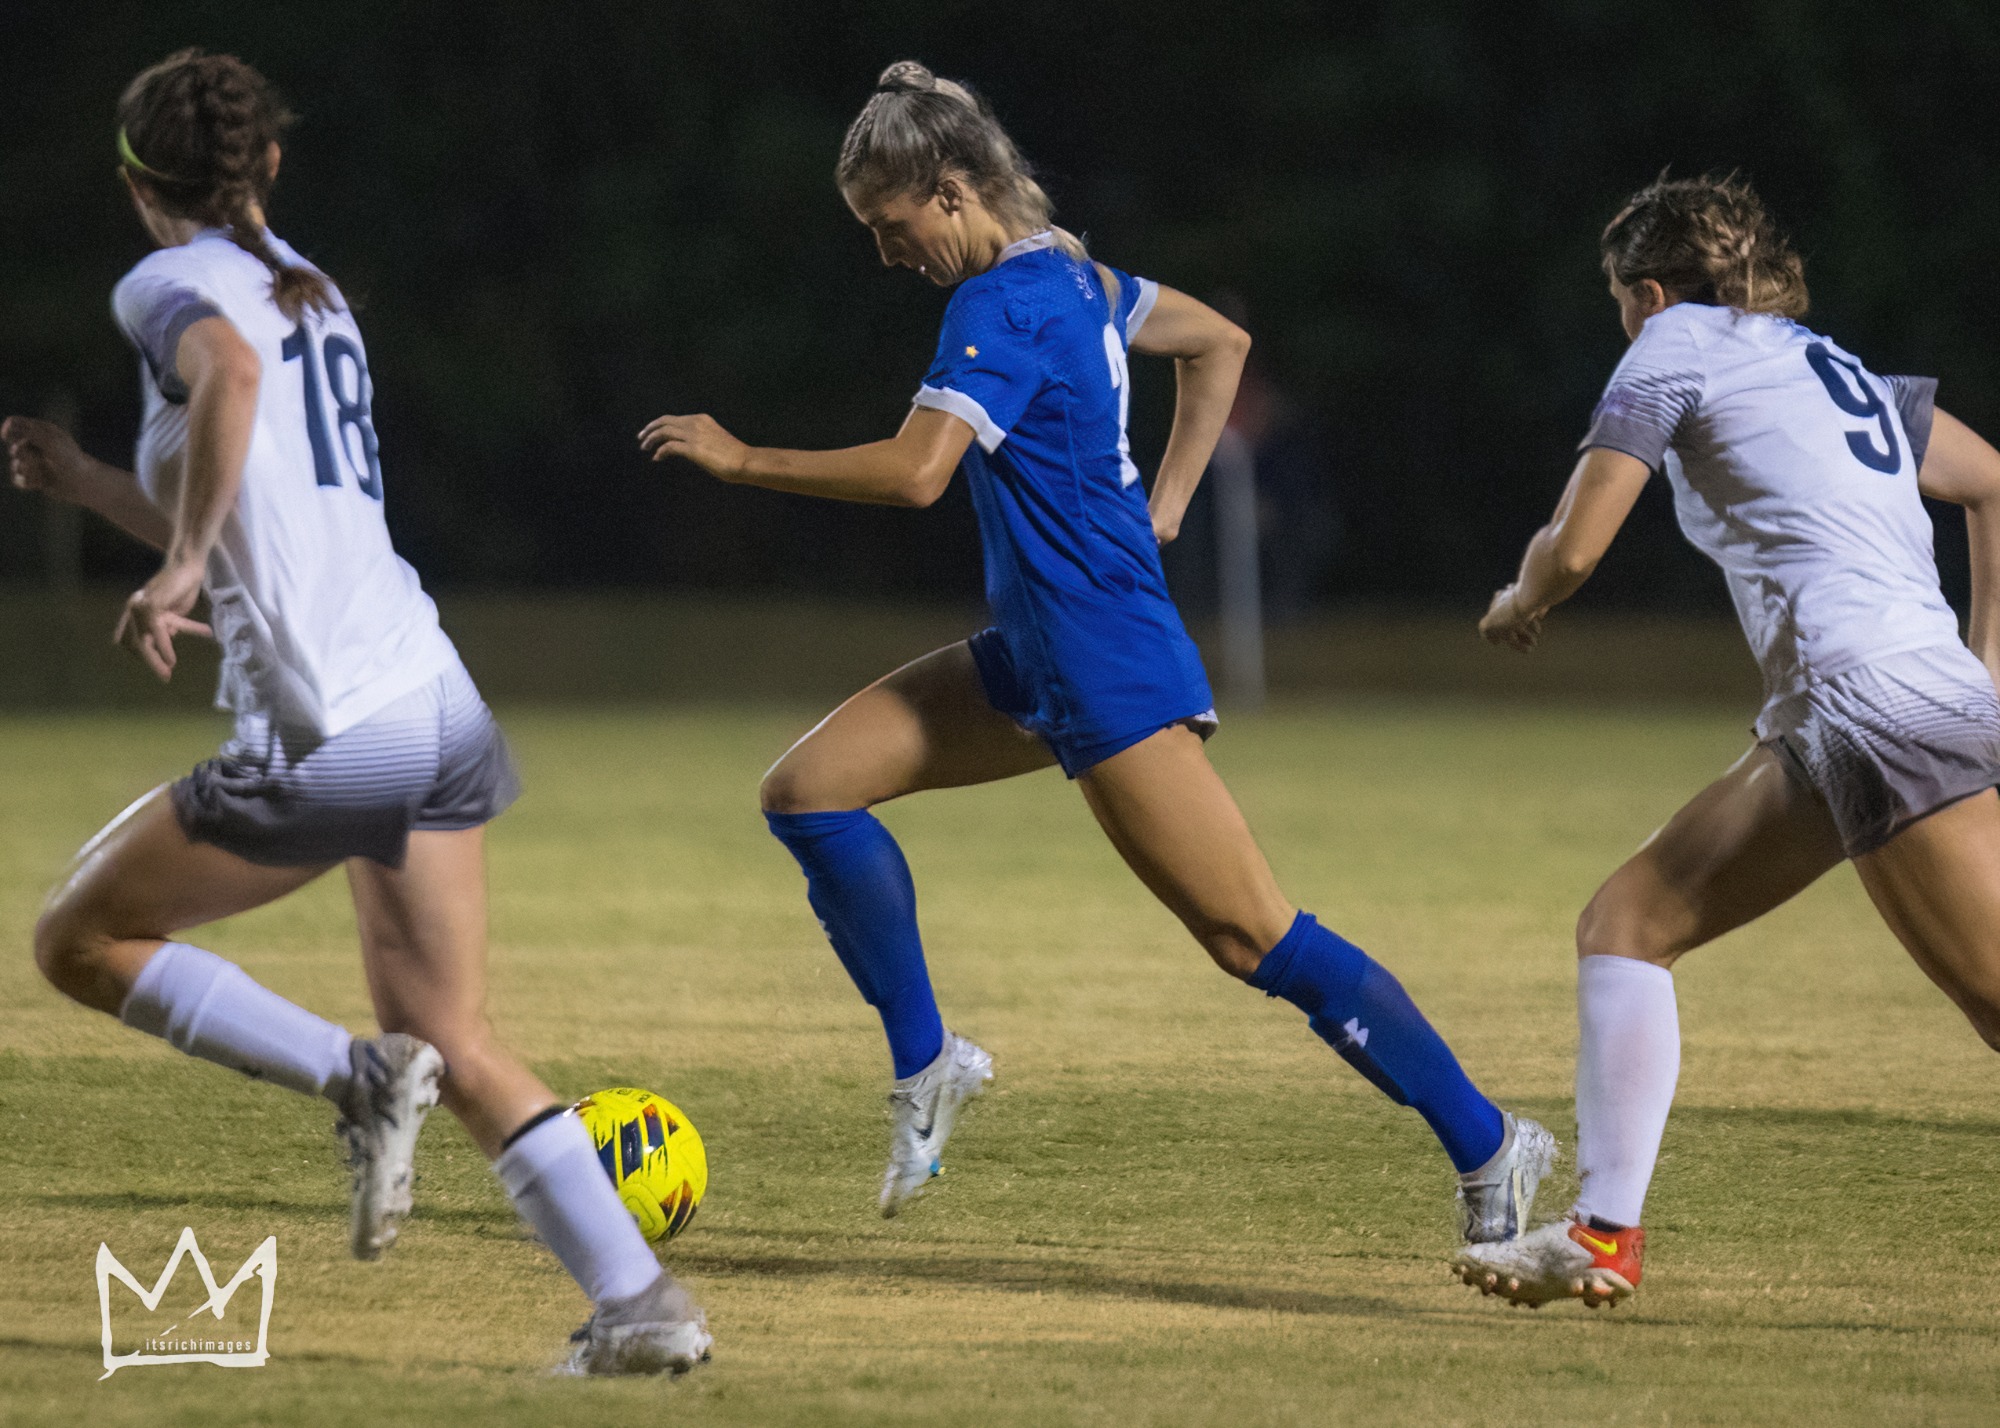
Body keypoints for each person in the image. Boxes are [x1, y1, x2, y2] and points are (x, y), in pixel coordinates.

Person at [641, 60, 1552, 1240]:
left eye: (892, 225)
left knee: (1251, 936)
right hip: (1039, 646)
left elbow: (920, 473)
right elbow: (1217, 342)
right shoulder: (1074, 273)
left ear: (955, 191)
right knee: (807, 792)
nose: (886, 253)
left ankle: (1489, 1146)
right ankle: (928, 1065)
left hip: (1102, 657)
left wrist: (744, 458)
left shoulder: (1002, 304)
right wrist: (1160, 506)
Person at [3, 50, 706, 1375]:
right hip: (434, 702)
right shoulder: (309, 291)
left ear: (136, 184)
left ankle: (353, 1078)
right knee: (453, 1031)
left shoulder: (169, 283)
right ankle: (643, 1305)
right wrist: (105, 488)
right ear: (267, 165)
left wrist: (177, 568)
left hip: (338, 735)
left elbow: (226, 385)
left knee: (78, 941)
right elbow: (266, 488)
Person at [1455, 174, 2000, 1307]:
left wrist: (1518, 601)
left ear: (1647, 290)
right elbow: (1990, 483)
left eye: (1618, 301)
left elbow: (1576, 542)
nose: (1620, 325)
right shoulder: (1827, 363)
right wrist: (1979, 676)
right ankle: (1601, 1235)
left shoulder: (1672, 344)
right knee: (1625, 924)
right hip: (1849, 709)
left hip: (1871, 704)